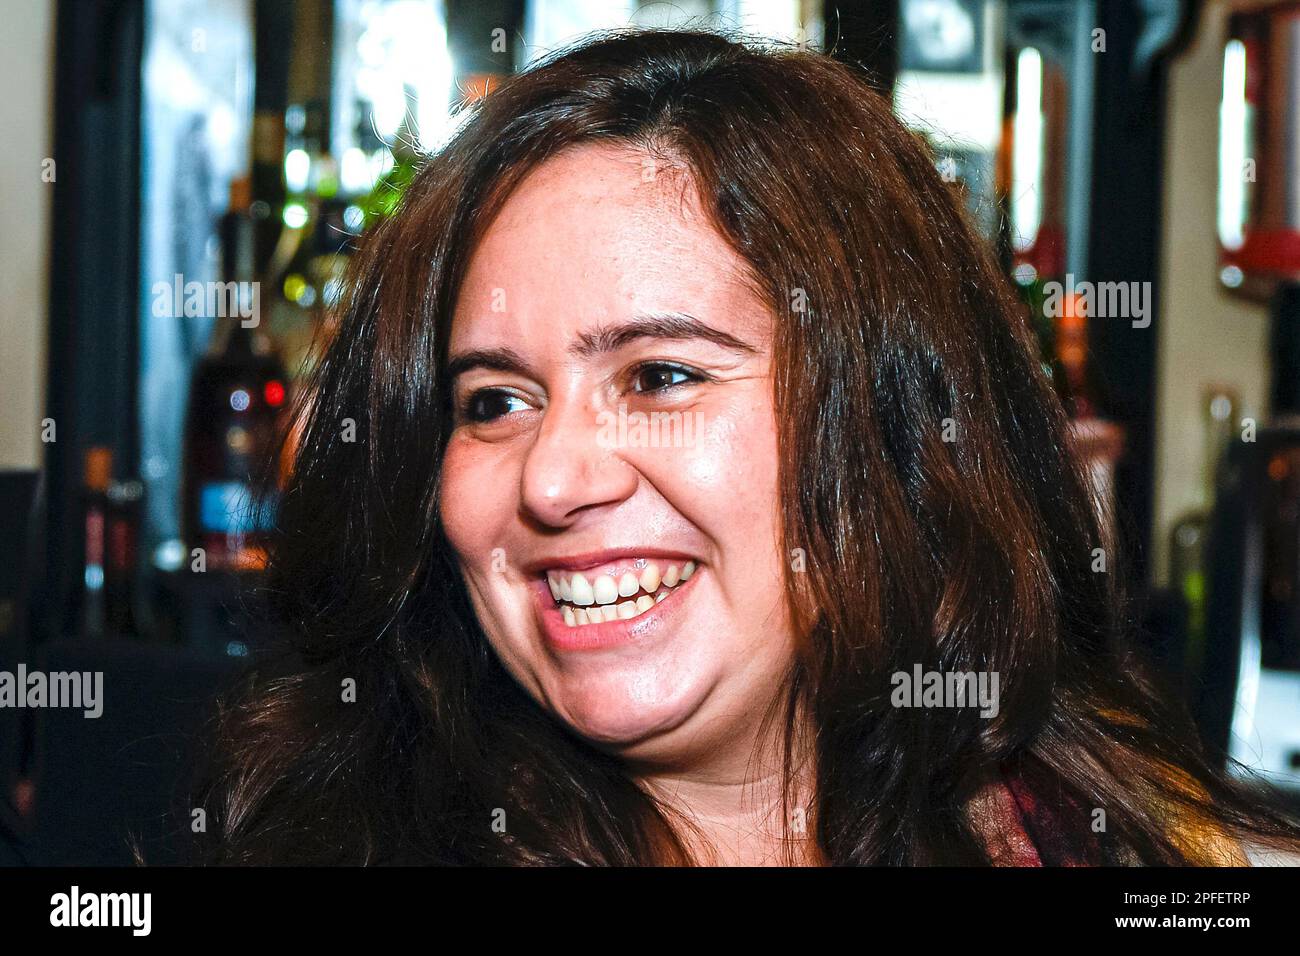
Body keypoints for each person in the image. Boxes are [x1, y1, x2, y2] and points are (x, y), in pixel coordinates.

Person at [196, 29, 1300, 865]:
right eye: (493, 401)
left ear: (890, 424)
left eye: (661, 375)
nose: (553, 475)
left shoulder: (1118, 839)